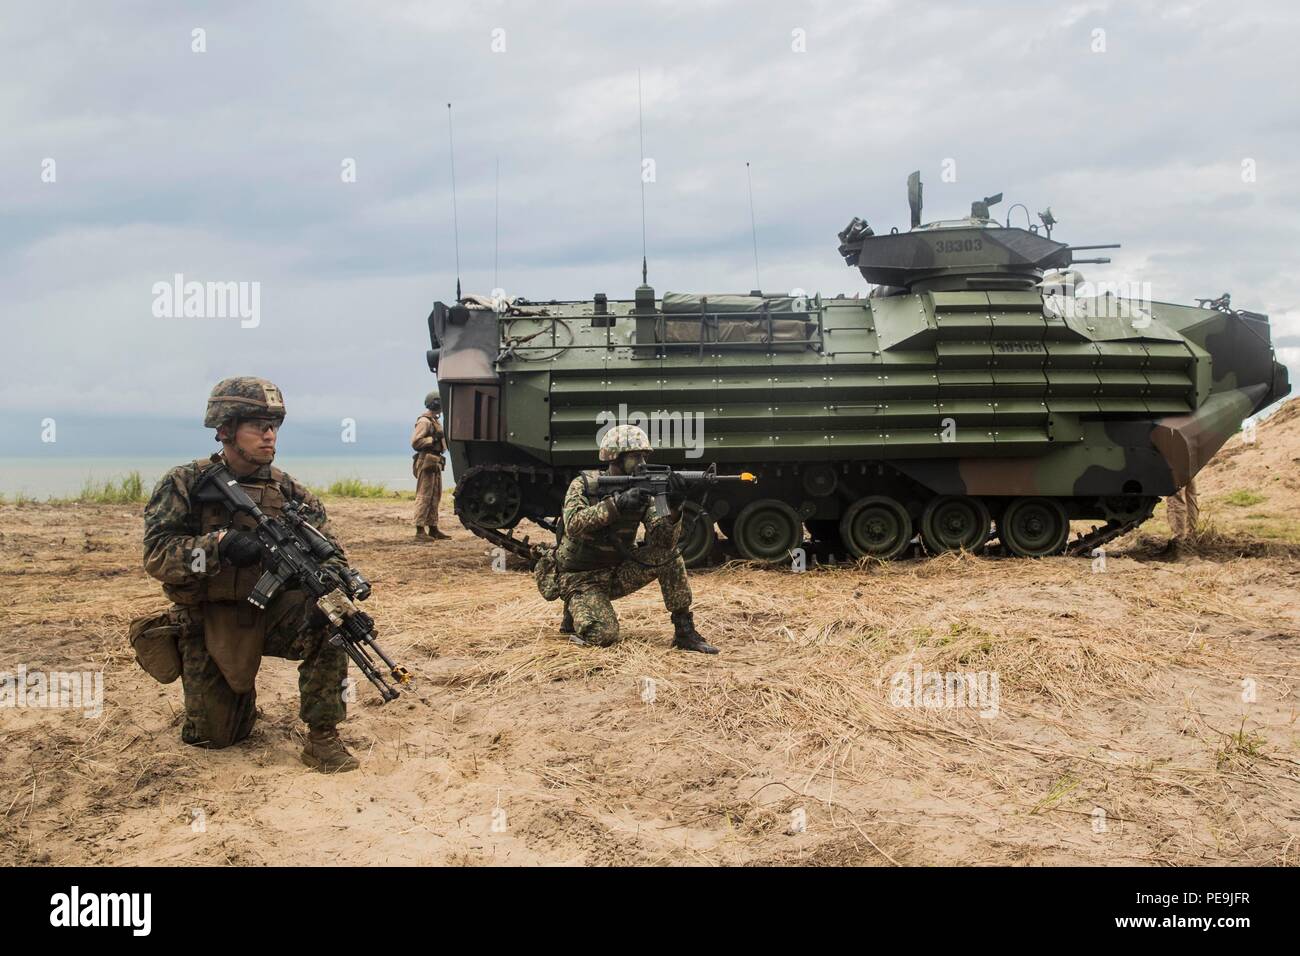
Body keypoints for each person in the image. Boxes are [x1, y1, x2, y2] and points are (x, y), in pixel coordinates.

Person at [140, 377, 360, 772]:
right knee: (215, 738)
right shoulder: (185, 483)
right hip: (212, 617)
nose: (269, 435)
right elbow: (157, 556)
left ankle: (323, 738)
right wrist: (217, 547)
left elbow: (332, 552)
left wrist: (334, 583)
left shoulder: (289, 491)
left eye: (273, 426)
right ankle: (212, 680)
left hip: (272, 611)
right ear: (225, 429)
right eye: (258, 425)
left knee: (332, 618)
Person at [553, 425, 718, 654]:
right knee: (604, 635)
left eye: (644, 456)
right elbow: (573, 525)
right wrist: (616, 505)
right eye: (635, 456)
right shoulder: (584, 485)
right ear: (615, 457)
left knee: (668, 555)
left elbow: (664, 541)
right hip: (580, 577)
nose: (642, 462)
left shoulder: (645, 489)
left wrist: (674, 507)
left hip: (617, 572)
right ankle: (574, 612)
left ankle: (684, 631)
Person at [411, 391, 450, 540]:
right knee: (424, 495)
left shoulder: (434, 420)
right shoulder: (424, 421)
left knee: (435, 495)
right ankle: (420, 531)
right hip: (427, 459)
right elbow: (416, 442)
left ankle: (433, 527)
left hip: (435, 460)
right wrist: (433, 439)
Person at [1165, 477, 1200, 553]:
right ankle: (1191, 537)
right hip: (1189, 467)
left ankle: (1179, 542)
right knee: (1191, 495)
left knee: (1175, 497)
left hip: (1175, 467)